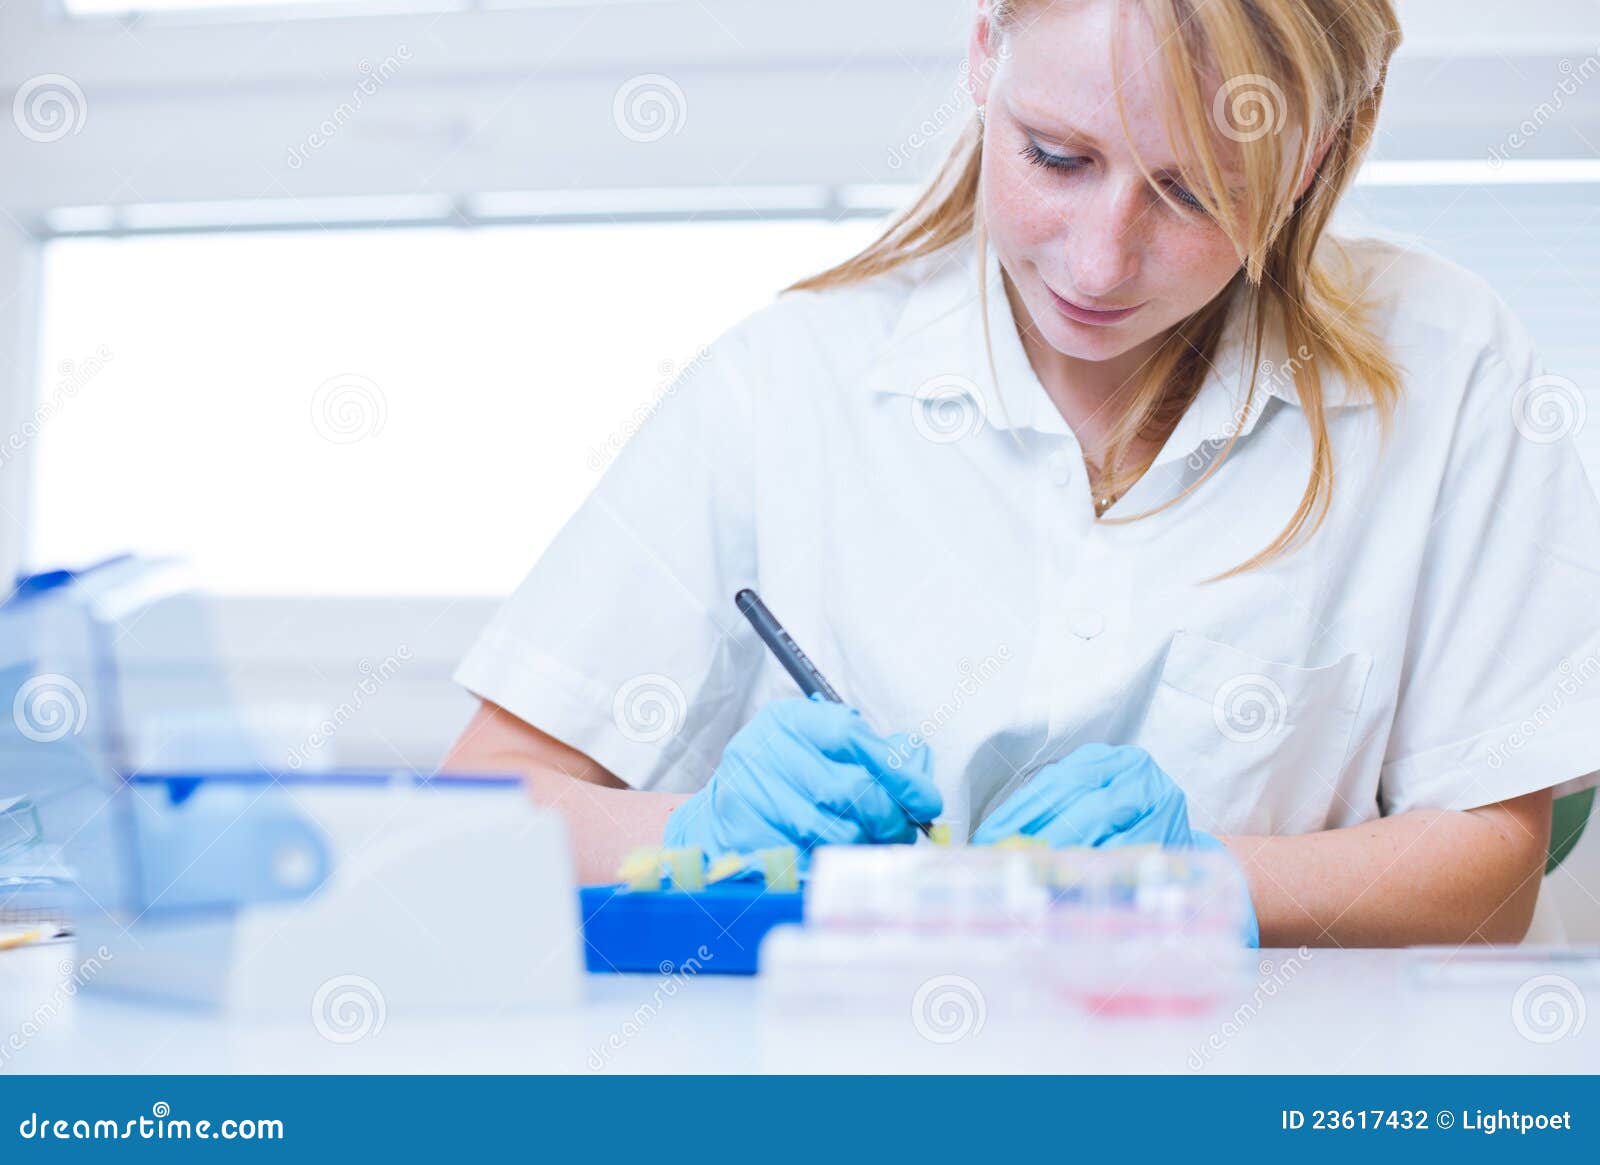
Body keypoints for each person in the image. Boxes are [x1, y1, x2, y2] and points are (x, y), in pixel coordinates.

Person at [442, 0, 1600, 947]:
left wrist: (1209, 876)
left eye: (1193, 190)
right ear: (984, 59)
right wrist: (699, 827)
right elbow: (485, 809)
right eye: (1057, 157)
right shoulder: (784, 384)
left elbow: (1492, 875)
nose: (1100, 259)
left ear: (1307, 158)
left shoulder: (1444, 369)